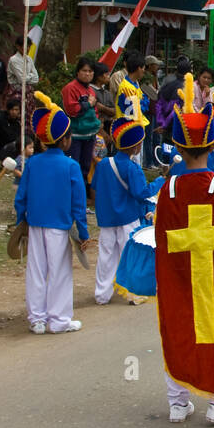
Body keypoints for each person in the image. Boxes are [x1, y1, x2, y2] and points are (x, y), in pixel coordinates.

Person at [156, 74, 214, 424]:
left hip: (178, 275)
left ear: (178, 149)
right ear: (213, 147)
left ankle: (177, 403)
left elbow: (161, 236)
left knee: (177, 325)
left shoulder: (167, 191)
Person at [15, 92, 89, 335]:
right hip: (60, 227)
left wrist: (20, 222)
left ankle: (36, 319)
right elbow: (79, 204)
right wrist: (83, 232)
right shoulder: (71, 166)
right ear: (66, 140)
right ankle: (58, 319)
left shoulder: (33, 163)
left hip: (35, 224)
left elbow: (21, 197)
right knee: (60, 273)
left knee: (36, 271)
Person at [91, 116, 162, 305]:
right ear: (135, 147)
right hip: (128, 218)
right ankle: (132, 293)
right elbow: (141, 193)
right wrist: (159, 182)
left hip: (106, 219)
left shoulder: (104, 164)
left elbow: (95, 186)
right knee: (129, 255)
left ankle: (102, 295)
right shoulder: (132, 168)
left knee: (106, 256)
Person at [62, 57, 100, 186]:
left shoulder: (91, 91)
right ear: (78, 72)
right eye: (84, 70)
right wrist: (88, 104)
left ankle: (81, 200)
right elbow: (71, 110)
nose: (87, 74)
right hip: (75, 136)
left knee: (85, 168)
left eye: (90, 71)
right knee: (73, 168)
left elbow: (95, 113)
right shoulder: (70, 88)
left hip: (90, 136)